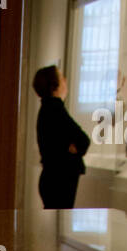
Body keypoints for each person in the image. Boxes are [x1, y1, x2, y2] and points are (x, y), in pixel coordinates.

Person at [33, 64, 90, 208]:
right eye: (61, 77)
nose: (65, 80)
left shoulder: (48, 109)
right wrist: (69, 148)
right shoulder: (54, 109)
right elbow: (83, 140)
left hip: (53, 179)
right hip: (59, 181)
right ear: (55, 86)